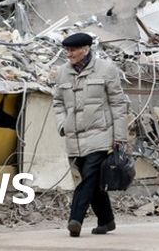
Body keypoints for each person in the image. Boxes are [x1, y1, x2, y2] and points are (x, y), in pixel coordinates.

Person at [51, 32, 128, 237]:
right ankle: (106, 220)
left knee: (89, 177)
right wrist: (62, 125)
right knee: (91, 180)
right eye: (67, 50)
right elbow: (58, 102)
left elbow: (118, 104)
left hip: (100, 134)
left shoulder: (106, 70)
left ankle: (75, 219)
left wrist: (120, 137)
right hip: (73, 137)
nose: (69, 54)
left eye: (73, 50)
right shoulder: (62, 73)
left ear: (86, 49)